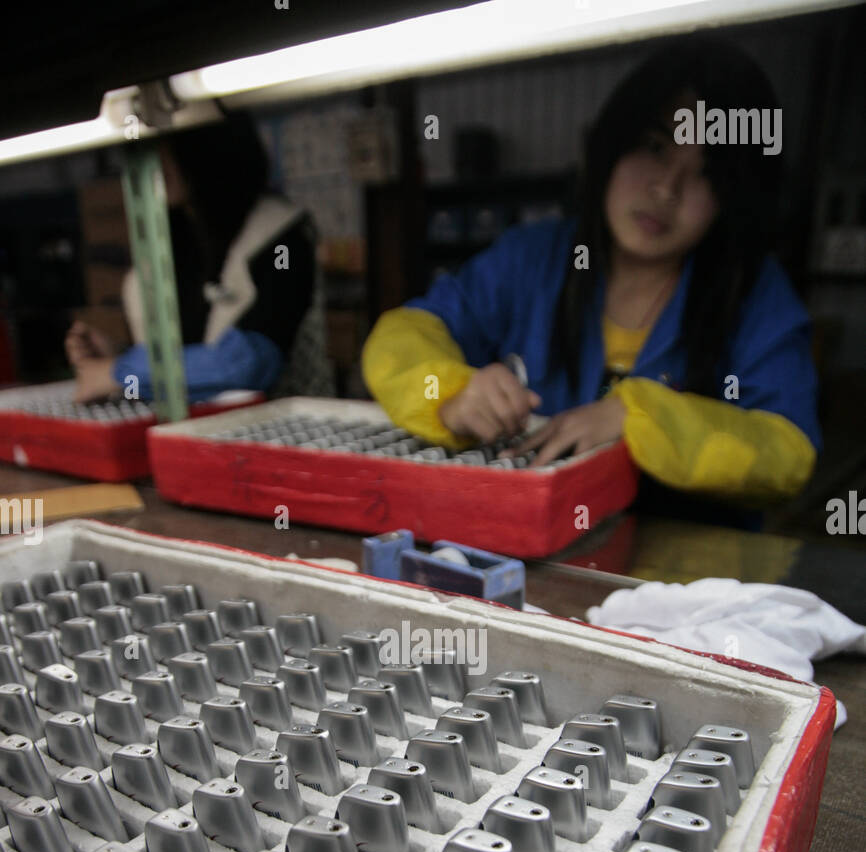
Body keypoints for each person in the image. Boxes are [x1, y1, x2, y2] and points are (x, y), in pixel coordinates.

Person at [361, 35, 820, 514]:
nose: (667, 188)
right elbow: (403, 334)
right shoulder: (532, 257)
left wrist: (643, 420)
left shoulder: (752, 291)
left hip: (683, 579)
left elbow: (788, 451)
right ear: (609, 146)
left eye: (707, 172)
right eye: (655, 147)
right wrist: (451, 390)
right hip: (526, 546)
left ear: (734, 196)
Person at [67, 112, 334, 404]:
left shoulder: (282, 243)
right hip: (197, 435)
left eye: (168, 146)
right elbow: (190, 356)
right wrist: (121, 357)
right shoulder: (173, 241)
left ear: (209, 148)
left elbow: (253, 365)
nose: (155, 161)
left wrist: (118, 371)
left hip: (280, 436)